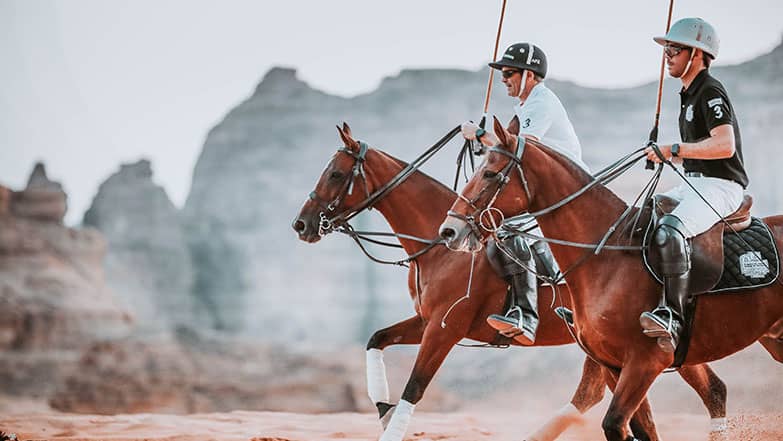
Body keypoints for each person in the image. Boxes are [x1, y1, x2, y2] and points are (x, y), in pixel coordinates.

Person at [461, 42, 588, 345]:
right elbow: (505, 154)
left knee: (510, 232)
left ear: (529, 75)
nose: (503, 79)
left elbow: (522, 151)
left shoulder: (542, 103)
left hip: (568, 195)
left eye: (509, 73)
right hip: (546, 193)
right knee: (501, 229)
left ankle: (526, 317)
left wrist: (480, 134)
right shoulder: (526, 107)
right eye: (502, 74)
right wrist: (483, 146)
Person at [640, 18, 749, 353]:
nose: (667, 56)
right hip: (695, 183)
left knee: (670, 229)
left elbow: (724, 145)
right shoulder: (688, 94)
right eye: (666, 50)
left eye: (675, 49)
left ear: (697, 54)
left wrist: (674, 149)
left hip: (723, 186)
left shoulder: (710, 90)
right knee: (640, 217)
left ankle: (672, 316)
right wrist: (666, 154)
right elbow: (695, 152)